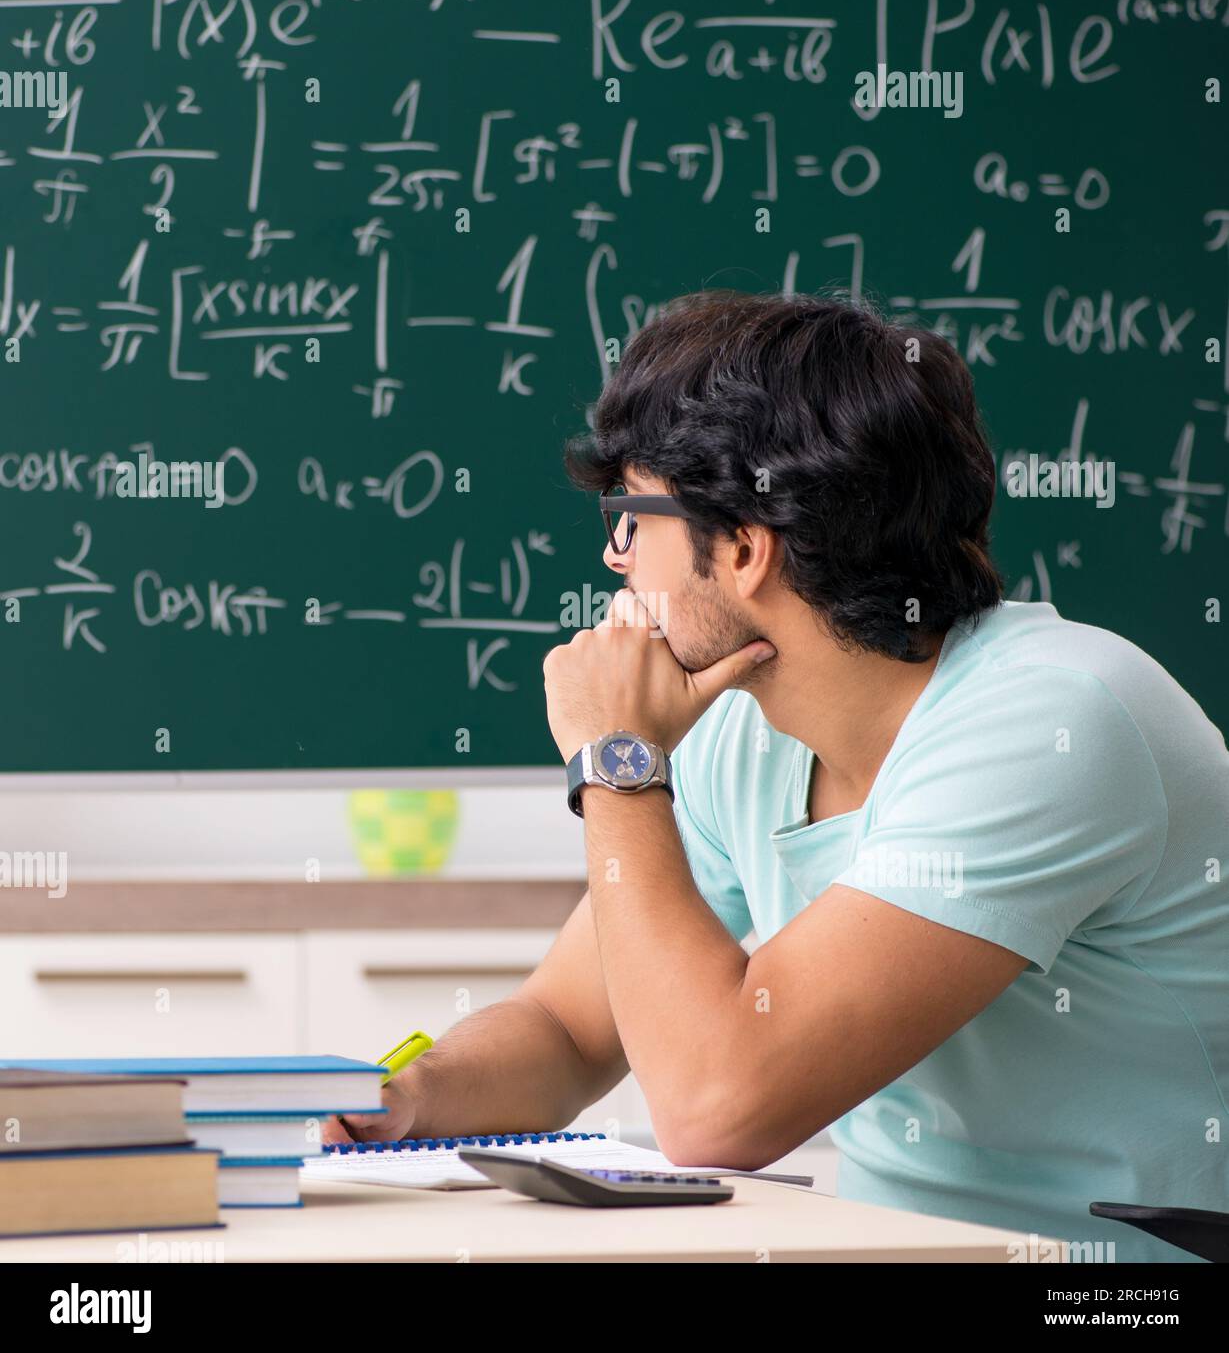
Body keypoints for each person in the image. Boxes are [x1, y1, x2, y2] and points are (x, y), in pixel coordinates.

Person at [325, 291, 1229, 1263]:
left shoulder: (1052, 721)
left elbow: (720, 1107)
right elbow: (567, 1027)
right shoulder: (741, 728)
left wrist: (617, 764)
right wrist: (402, 1097)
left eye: (631, 518)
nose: (611, 555)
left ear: (746, 547)